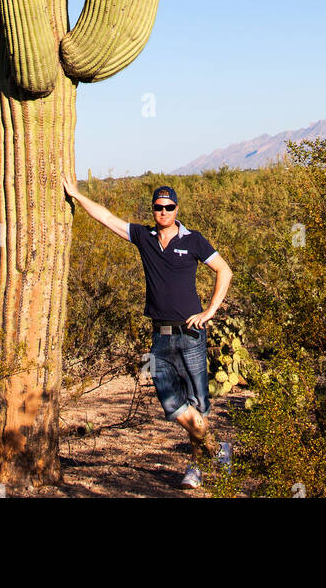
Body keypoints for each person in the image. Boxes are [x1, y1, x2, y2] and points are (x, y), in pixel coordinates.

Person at [62, 175, 234, 488]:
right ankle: (217, 448)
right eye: (158, 207)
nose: (164, 212)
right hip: (160, 337)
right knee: (173, 404)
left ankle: (194, 468)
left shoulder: (194, 240)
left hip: (192, 335)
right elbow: (107, 218)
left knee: (198, 406)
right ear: (153, 209)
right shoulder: (144, 236)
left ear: (177, 208)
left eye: (169, 207)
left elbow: (224, 270)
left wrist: (209, 312)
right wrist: (76, 195)